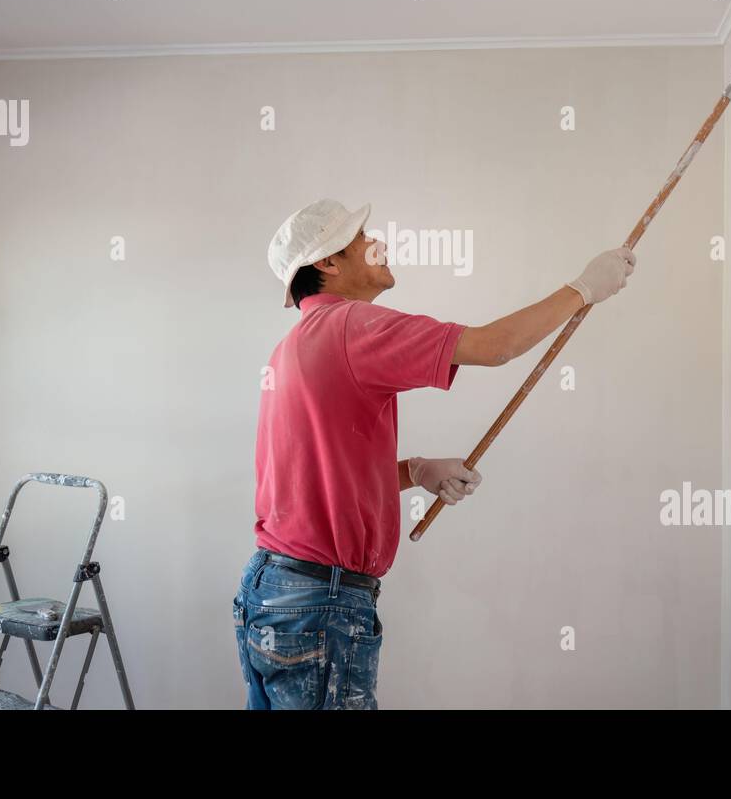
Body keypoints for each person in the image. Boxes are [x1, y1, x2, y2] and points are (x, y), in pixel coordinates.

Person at [232, 198, 635, 708]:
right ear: (329, 263)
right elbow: (495, 347)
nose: (379, 243)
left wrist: (415, 471)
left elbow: (320, 474)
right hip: (320, 604)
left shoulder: (292, 346)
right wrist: (583, 289)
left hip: (274, 593)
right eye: (363, 238)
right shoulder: (353, 325)